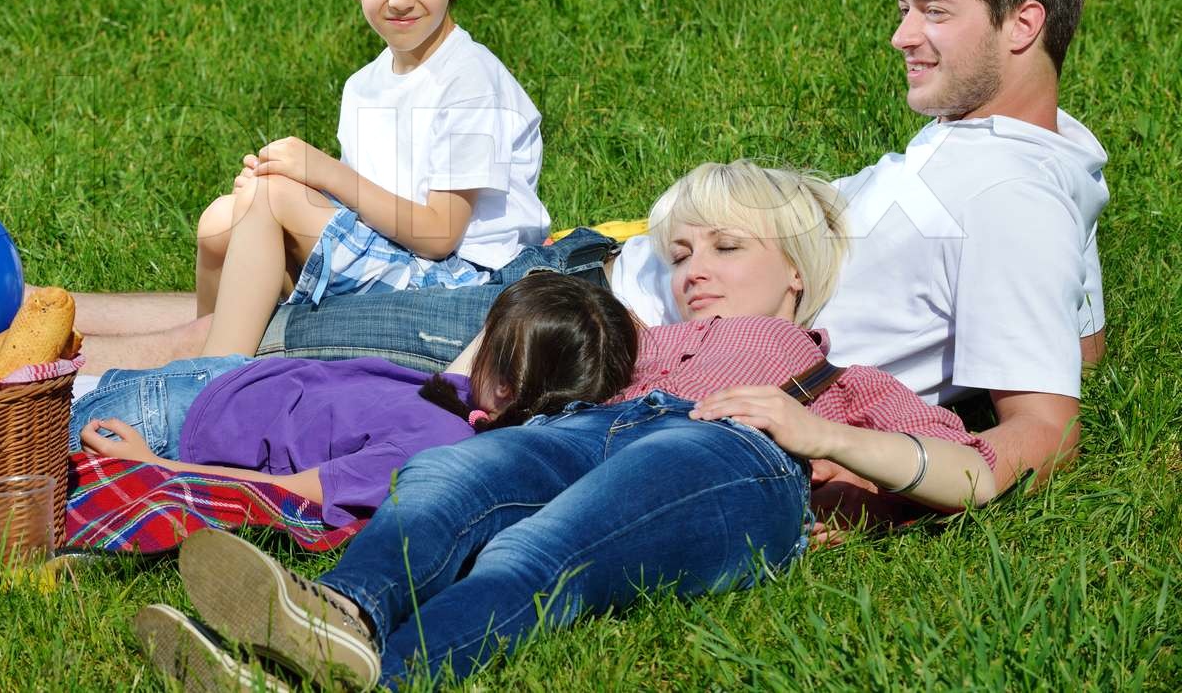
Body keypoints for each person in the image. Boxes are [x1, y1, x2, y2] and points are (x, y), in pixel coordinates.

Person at [78, 0, 1107, 508]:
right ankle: (40, 314)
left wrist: (883, 453)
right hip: (591, 268)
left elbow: (1042, 424)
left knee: (256, 344)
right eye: (902, 7)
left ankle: (12, 368)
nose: (898, 36)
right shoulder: (1038, 153)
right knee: (273, 294)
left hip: (578, 336)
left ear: (1022, 26)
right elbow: (1074, 340)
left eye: (930, 11)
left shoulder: (1013, 194)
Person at [133, 162, 1005, 689]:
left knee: (540, 554)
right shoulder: (634, 342)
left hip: (733, 452)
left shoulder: (838, 379)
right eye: (682, 254)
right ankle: (337, 615)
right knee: (446, 481)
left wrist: (825, 438)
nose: (696, 269)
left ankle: (376, 677)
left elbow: (971, 473)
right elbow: (476, 386)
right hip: (591, 433)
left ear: (797, 273)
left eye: (727, 249)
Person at [189, 0, 552, 360]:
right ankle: (202, 346)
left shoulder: (469, 80)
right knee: (222, 219)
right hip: (405, 257)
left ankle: (215, 375)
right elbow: (373, 208)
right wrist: (293, 184)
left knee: (268, 198)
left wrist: (322, 175)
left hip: (466, 286)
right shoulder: (365, 85)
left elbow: (439, 235)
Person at [70, 271, 635, 528]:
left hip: (175, 424)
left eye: (490, 335)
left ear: (509, 387)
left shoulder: (438, 450)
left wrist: (156, 469)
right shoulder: (466, 403)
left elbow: (286, 493)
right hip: (219, 384)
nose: (478, 338)